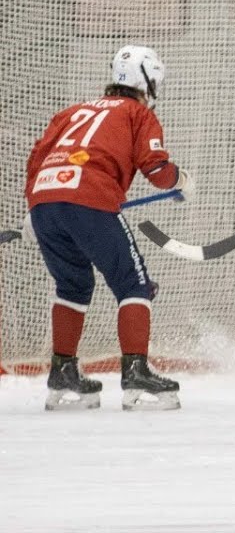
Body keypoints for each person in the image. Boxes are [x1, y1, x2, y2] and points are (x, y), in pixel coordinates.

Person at [24, 45, 191, 411]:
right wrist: (181, 179)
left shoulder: (72, 111)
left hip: (44, 202)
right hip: (90, 200)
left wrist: (34, 209)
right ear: (146, 80)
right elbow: (158, 171)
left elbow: (37, 157)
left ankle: (63, 372)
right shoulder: (138, 114)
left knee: (73, 284)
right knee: (134, 284)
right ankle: (136, 373)